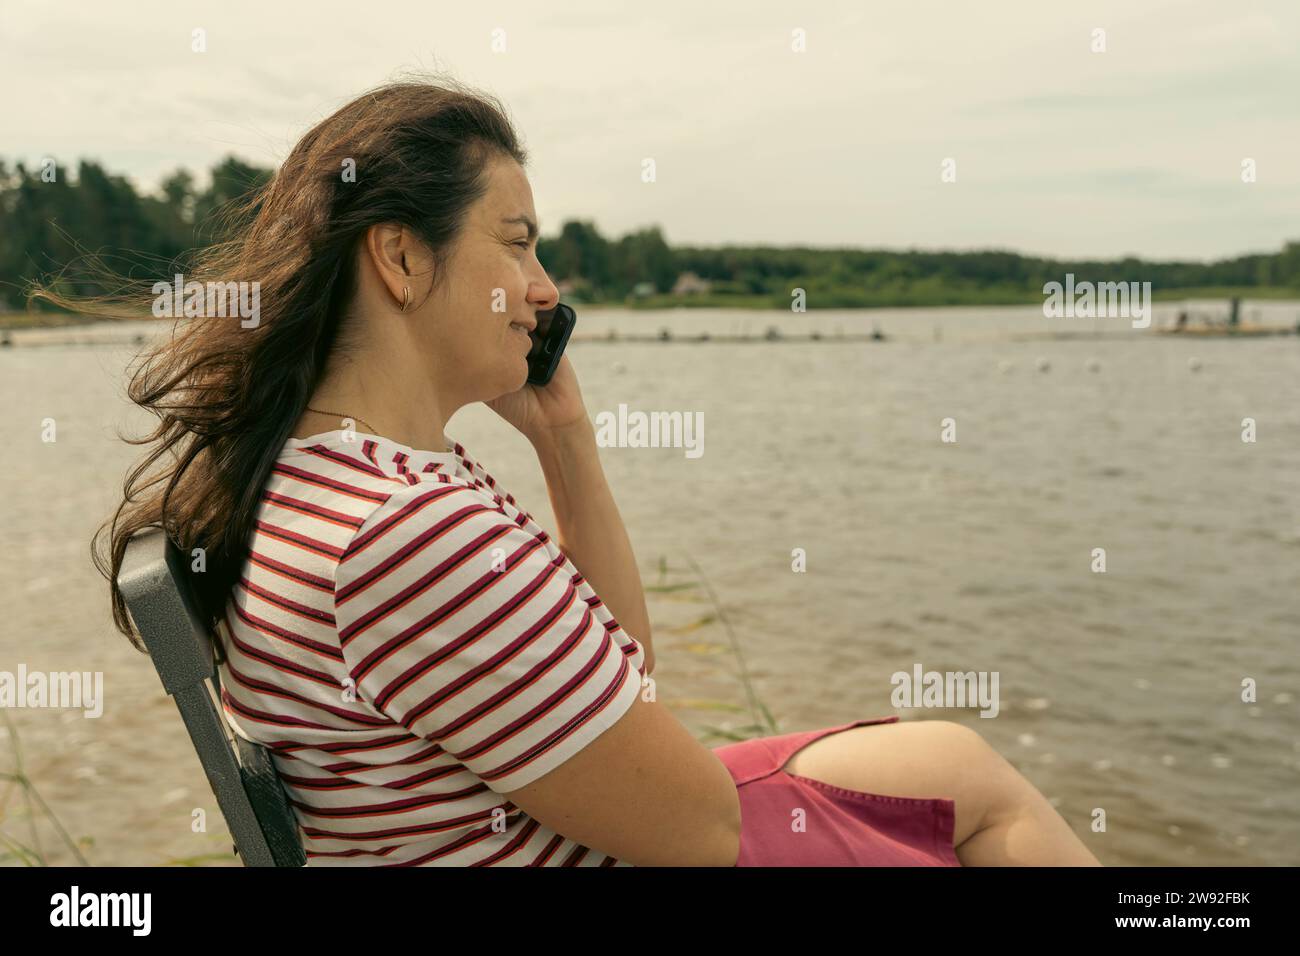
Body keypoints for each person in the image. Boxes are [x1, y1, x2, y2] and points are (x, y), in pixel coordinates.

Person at [75, 77, 1099, 867]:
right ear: (399, 258)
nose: (544, 287)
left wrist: (565, 441)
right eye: (515, 244)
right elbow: (697, 831)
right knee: (973, 789)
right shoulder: (401, 534)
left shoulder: (336, 474)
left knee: (947, 757)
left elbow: (620, 683)